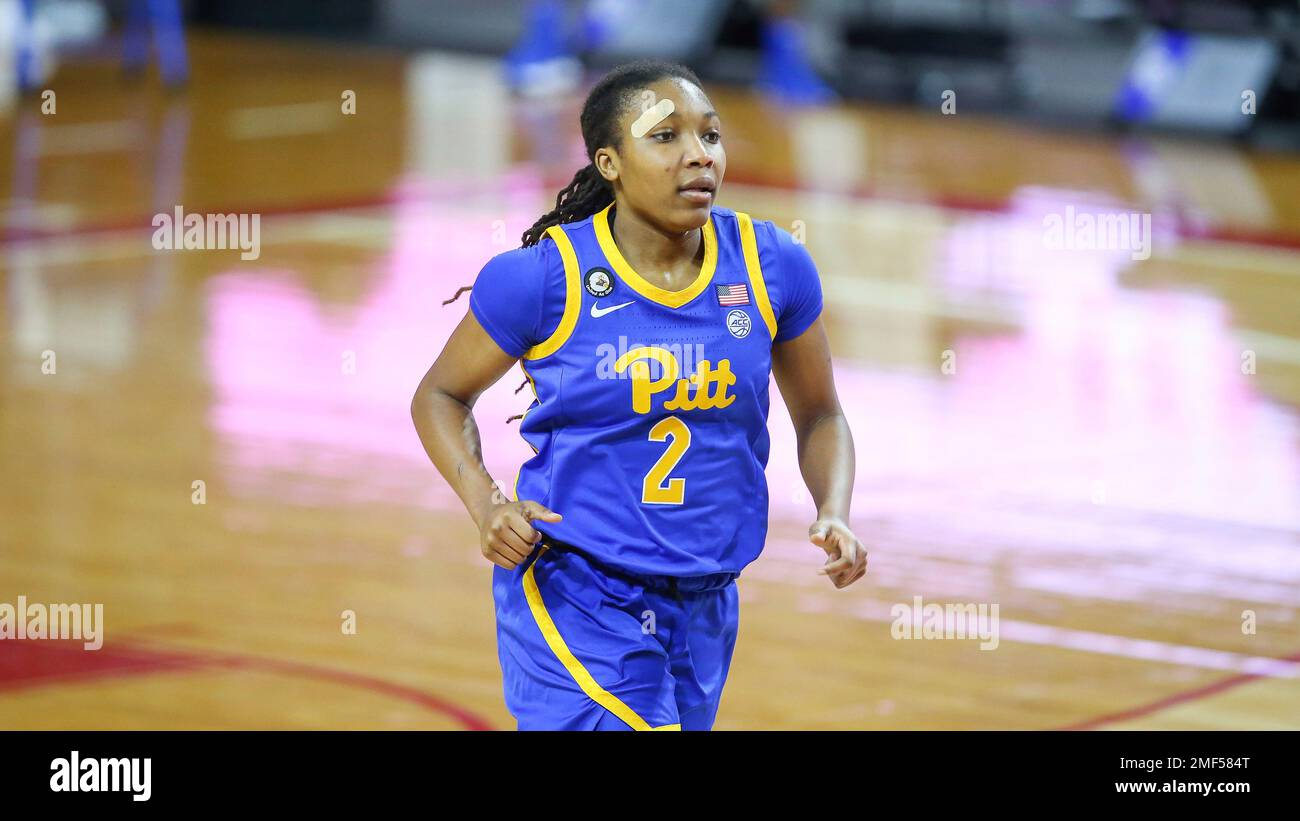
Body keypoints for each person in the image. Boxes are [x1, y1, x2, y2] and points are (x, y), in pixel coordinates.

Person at [411, 60, 865, 730]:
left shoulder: (772, 265)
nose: (698, 156)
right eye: (666, 137)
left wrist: (836, 508)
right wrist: (485, 501)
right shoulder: (543, 277)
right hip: (578, 589)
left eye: (710, 137)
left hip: (707, 599)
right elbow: (439, 395)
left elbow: (821, 413)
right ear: (610, 161)